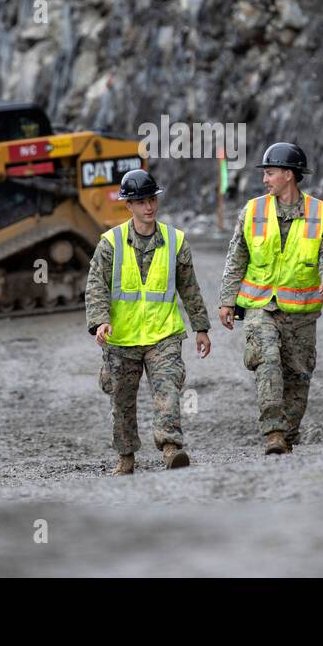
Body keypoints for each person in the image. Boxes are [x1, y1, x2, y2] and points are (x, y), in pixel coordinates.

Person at [218, 143, 323, 454]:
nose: (265, 179)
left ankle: (288, 434)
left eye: (270, 173)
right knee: (268, 362)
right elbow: (236, 257)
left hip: (301, 311)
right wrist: (227, 300)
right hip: (260, 305)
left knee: (298, 376)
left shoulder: (321, 213)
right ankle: (273, 432)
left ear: (289, 175)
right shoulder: (252, 211)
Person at [85, 168, 211, 474]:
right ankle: (126, 457)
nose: (149, 207)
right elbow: (96, 286)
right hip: (122, 339)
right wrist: (100, 322)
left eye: (152, 199)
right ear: (128, 205)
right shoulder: (110, 243)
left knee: (168, 389)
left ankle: (170, 448)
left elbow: (189, 287)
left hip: (163, 334)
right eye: (140, 201)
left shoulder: (175, 240)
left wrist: (201, 328)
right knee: (122, 401)